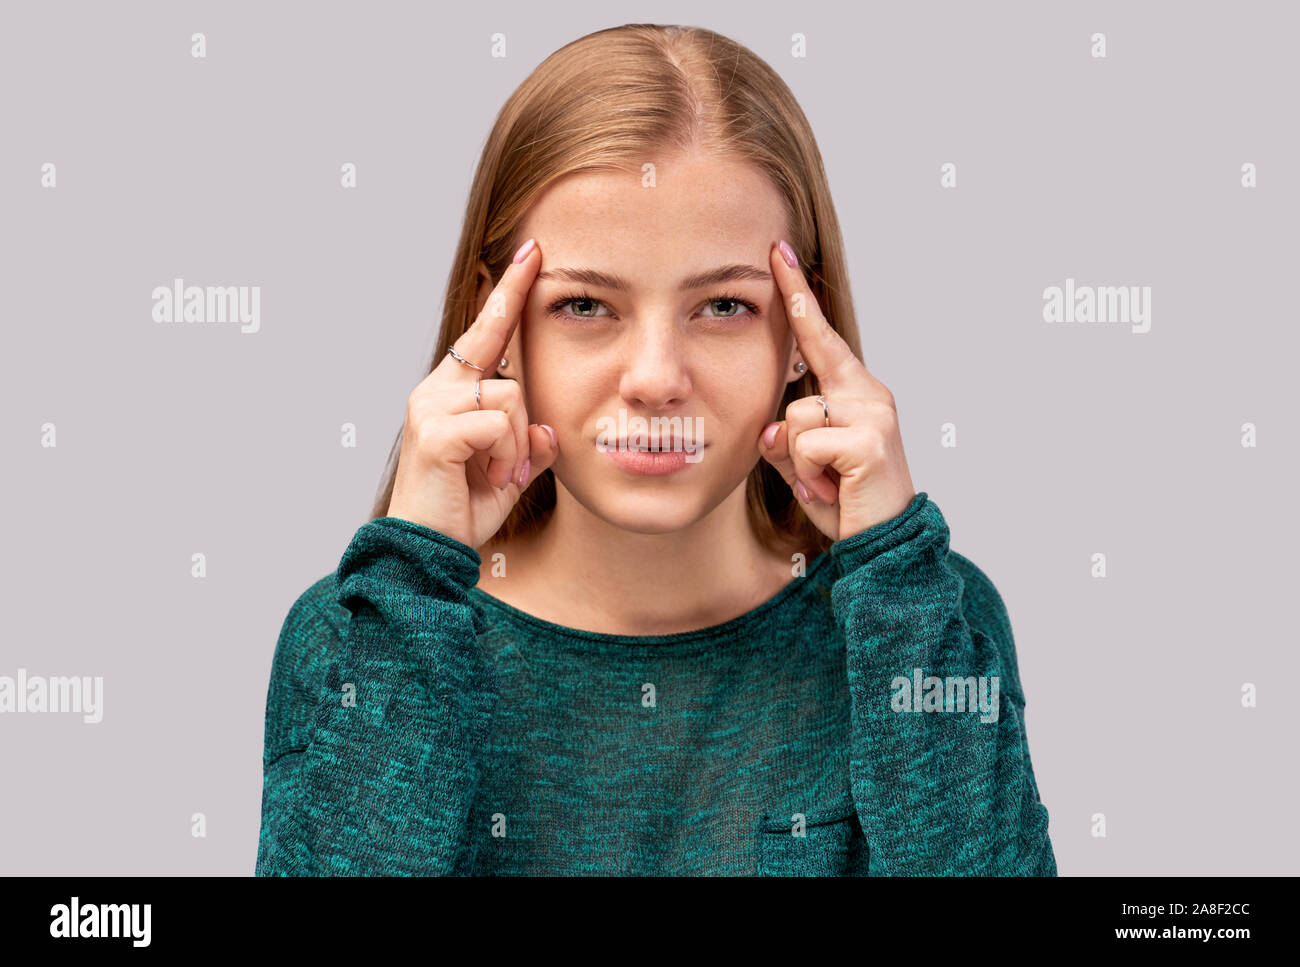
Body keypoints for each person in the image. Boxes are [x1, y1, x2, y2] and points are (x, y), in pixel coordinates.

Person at [256, 22, 1057, 876]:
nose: (655, 378)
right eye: (585, 307)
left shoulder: (929, 620)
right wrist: (413, 583)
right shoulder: (357, 638)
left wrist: (894, 570)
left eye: (722, 307)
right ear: (503, 327)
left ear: (800, 330)